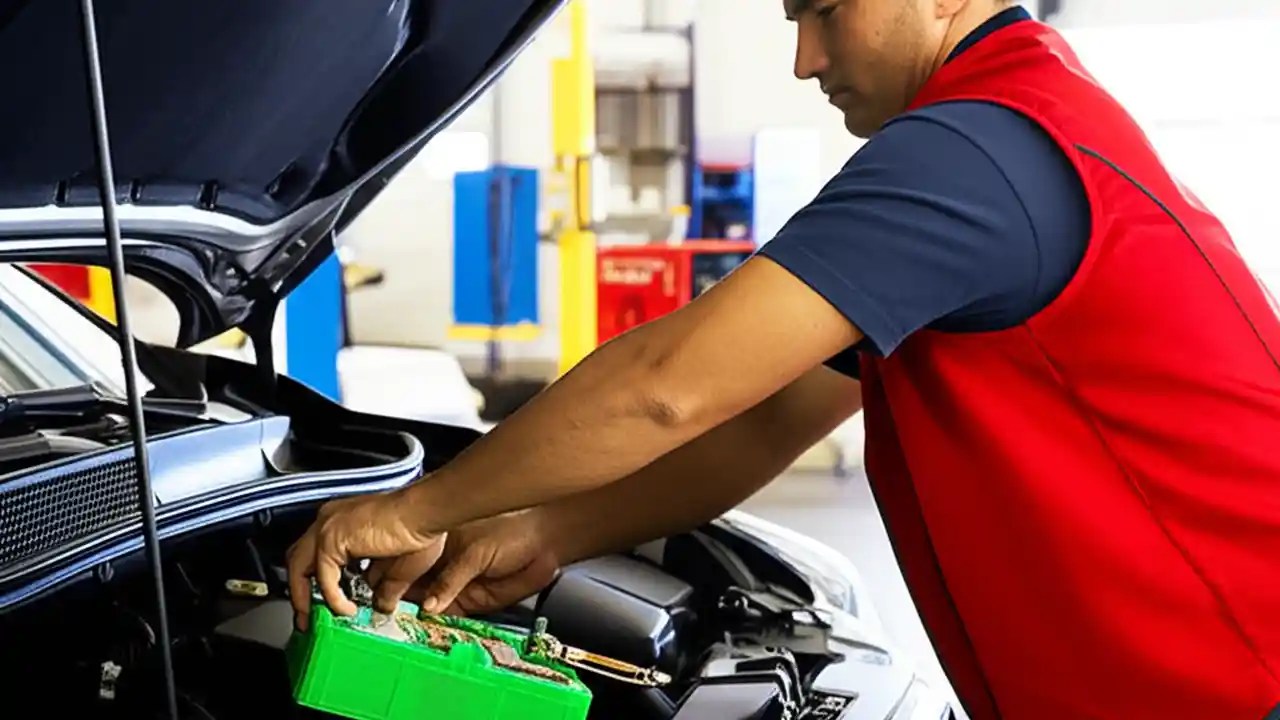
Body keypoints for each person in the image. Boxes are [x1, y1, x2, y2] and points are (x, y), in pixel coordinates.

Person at [286, 1, 1280, 718]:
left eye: (822, 11)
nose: (803, 58)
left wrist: (410, 510)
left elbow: (665, 389)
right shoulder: (1015, 121)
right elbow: (766, 416)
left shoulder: (977, 150)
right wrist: (550, 529)